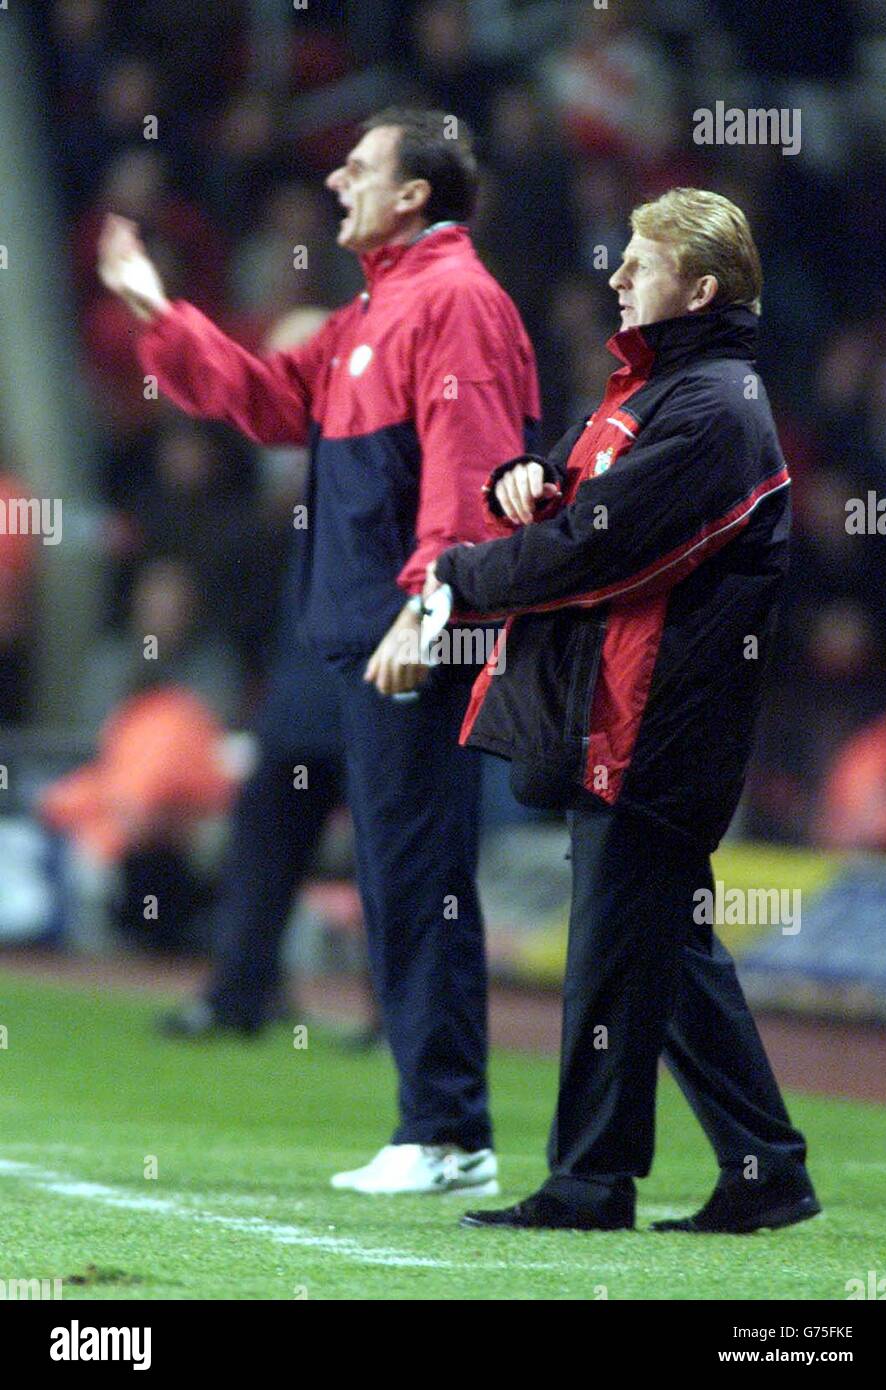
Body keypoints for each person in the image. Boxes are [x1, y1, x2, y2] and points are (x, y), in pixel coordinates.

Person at [97, 107, 540, 1195]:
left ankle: (447, 1132)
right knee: (398, 873)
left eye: (363, 165)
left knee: (420, 872)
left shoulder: (454, 304)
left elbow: (474, 480)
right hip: (364, 637)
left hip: (410, 638)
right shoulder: (374, 311)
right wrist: (161, 313)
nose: (338, 176)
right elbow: (262, 397)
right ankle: (439, 1125)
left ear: (414, 197)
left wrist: (429, 611)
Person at [428, 188, 820, 1233]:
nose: (616, 279)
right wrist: (522, 477)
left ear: (697, 287)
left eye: (638, 266)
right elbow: (570, 494)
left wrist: (467, 575)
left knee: (610, 951)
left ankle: (591, 1180)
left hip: (654, 721)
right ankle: (766, 1166)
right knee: (668, 952)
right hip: (627, 710)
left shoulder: (710, 407)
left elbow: (605, 550)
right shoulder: (657, 396)